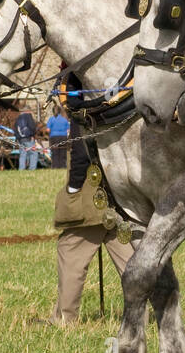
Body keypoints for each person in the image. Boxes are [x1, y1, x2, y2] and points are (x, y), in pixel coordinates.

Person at [42, 123, 134, 324]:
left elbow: (81, 153)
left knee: (70, 250)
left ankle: (64, 318)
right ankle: (141, 316)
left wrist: (73, 189)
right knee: (131, 261)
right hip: (121, 196)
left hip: (92, 196)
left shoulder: (83, 111)